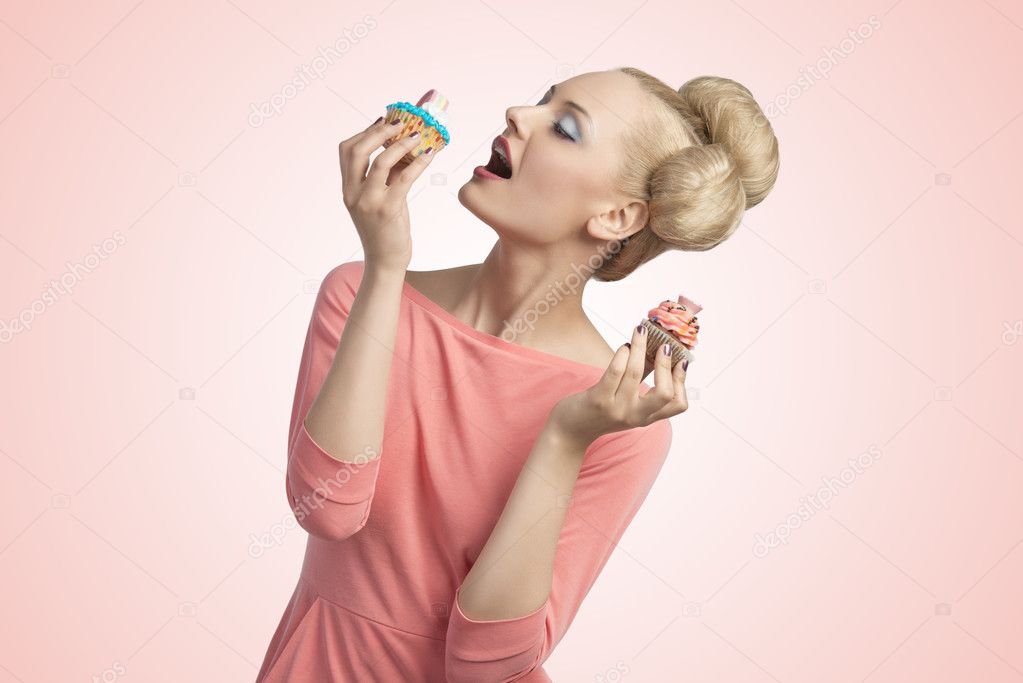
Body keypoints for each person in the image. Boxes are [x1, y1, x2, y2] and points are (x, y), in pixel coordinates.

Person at [256, 67, 780, 682]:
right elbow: (327, 509)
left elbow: (486, 666)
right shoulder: (361, 294)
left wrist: (564, 439)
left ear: (616, 216)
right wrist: (384, 267)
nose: (517, 113)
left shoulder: (620, 419)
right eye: (540, 99)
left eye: (563, 127)